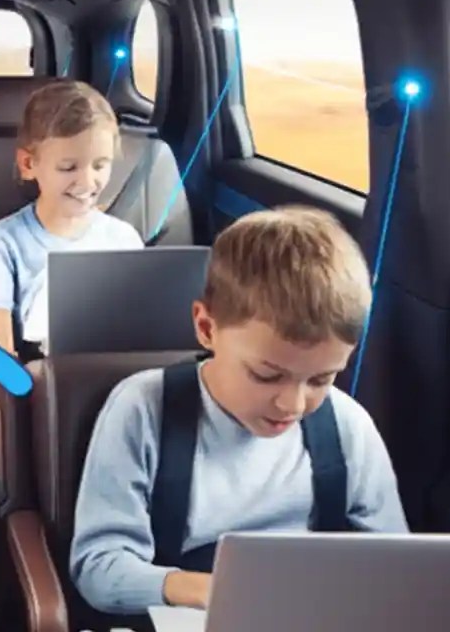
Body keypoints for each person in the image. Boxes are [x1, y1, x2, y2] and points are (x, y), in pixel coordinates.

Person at [70, 206, 408, 623]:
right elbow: (98, 568)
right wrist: (219, 592)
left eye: (322, 379)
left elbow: (396, 565)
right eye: (266, 375)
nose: (294, 404)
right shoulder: (142, 410)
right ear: (207, 328)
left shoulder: (348, 427)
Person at [0, 80, 143, 359]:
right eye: (68, 167)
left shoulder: (125, 238)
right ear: (28, 165)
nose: (87, 182)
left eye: (100, 165)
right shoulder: (2, 243)